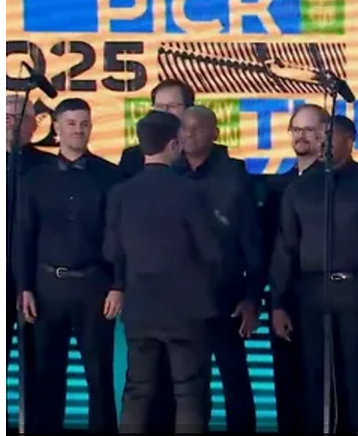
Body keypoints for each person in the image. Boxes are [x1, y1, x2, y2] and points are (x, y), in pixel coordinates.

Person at [271, 115, 358, 434]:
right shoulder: (299, 188)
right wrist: (277, 303)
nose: (323, 144)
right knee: (314, 376)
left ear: (350, 141)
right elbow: (285, 248)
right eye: (320, 138)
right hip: (310, 294)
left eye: (331, 138)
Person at [106, 111, 223, 433]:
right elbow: (211, 251)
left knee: (137, 389)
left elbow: (110, 251)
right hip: (186, 310)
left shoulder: (120, 193)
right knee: (188, 391)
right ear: (174, 143)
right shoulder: (190, 192)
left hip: (141, 308)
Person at [14, 98, 123, 432]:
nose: (78, 130)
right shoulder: (34, 178)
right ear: (57, 129)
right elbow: (22, 235)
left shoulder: (111, 176)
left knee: (100, 375)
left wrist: (119, 285)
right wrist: (24, 287)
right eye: (71, 123)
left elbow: (121, 236)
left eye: (84, 123)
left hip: (95, 288)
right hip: (45, 289)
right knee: (45, 375)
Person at [175, 106, 264, 433]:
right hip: (178, 301)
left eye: (197, 128)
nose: (189, 134)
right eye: (184, 128)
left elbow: (252, 241)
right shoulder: (170, 172)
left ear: (215, 132)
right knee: (186, 383)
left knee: (234, 378)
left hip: (225, 296)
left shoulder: (234, 175)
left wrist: (252, 297)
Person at [261, 104, 328, 434]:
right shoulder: (276, 186)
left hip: (324, 295)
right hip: (284, 295)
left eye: (310, 130)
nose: (302, 136)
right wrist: (275, 301)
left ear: (326, 134)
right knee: (286, 379)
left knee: (322, 380)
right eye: (296, 130)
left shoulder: (335, 182)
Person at [6, 95, 54, 410]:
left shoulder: (49, 168)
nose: (11, 121)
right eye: (6, 115)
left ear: (35, 126)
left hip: (35, 282)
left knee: (40, 368)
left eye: (20, 117)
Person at [119, 79, 196, 178]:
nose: (164, 111)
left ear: (189, 108)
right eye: (159, 106)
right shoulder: (132, 158)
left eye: (172, 106)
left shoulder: (200, 152)